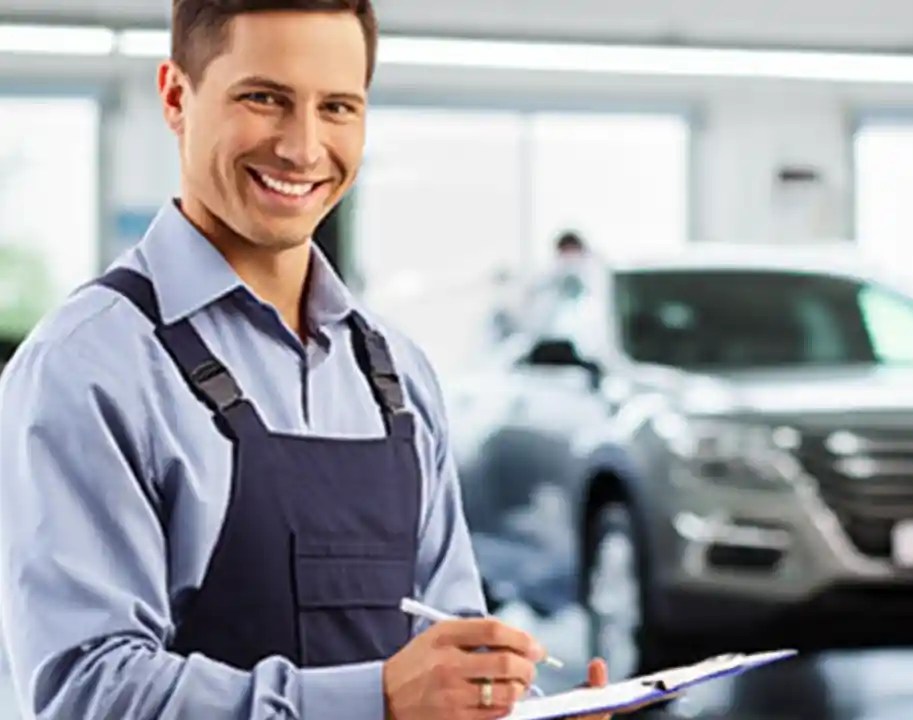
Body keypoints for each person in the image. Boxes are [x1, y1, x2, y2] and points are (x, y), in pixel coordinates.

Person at [0, 2, 632, 719]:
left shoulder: (397, 374)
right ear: (178, 96)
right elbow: (91, 693)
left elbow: (451, 651)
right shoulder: (89, 367)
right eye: (264, 98)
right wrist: (377, 699)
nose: (303, 148)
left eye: (337, 107)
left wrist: (511, 708)